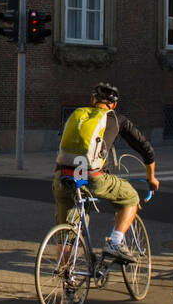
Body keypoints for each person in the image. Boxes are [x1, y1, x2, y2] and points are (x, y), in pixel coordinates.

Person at [53, 83, 159, 262]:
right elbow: (146, 149)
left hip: (63, 177)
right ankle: (115, 242)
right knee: (131, 197)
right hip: (93, 177)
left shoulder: (77, 115)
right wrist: (151, 177)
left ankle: (65, 280)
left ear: (92, 100)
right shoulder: (117, 119)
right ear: (114, 105)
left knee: (67, 236)